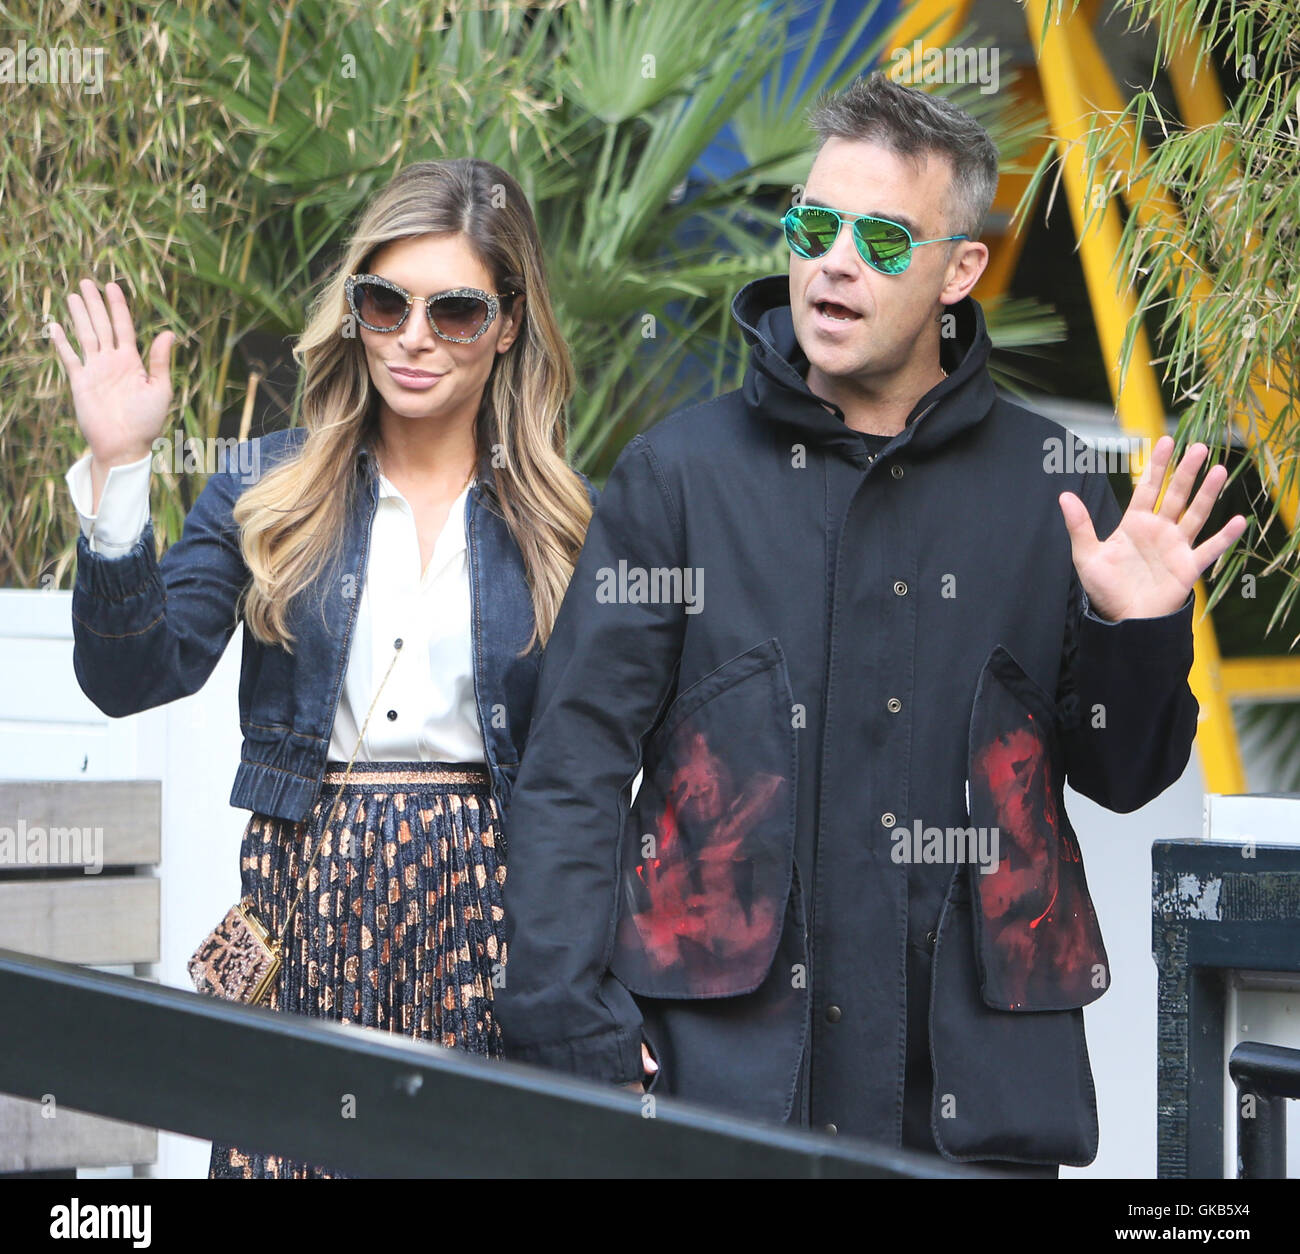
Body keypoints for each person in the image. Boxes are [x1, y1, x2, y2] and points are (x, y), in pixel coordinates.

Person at [494, 72, 1247, 1174]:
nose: (835, 262)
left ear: (960, 270)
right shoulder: (678, 478)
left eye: (884, 241)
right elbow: (575, 761)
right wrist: (570, 1024)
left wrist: (1135, 628)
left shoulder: (1057, 488)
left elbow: (1122, 772)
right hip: (726, 1091)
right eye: (813, 225)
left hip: (973, 1105)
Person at [54, 158, 594, 1178]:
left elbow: (605, 772)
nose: (414, 337)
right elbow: (132, 676)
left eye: (456, 311)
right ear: (354, 312)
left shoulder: (564, 521)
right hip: (309, 895)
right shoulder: (268, 484)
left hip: (489, 910)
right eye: (383, 303)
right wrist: (122, 468)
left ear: (510, 322)